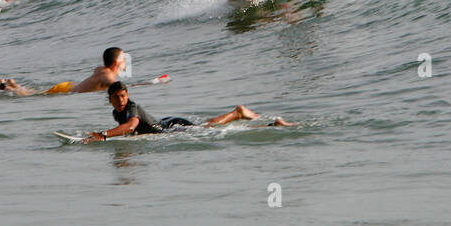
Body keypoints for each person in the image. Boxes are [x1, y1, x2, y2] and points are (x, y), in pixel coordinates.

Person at [80, 82, 292, 142]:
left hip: (169, 128)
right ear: (109, 99)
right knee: (206, 125)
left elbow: (132, 126)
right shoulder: (117, 112)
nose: (120, 100)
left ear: (127, 95)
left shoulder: (130, 107)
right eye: (116, 98)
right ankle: (237, 113)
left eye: (123, 96)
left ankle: (245, 116)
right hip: (166, 122)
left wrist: (104, 135)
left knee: (209, 130)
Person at [0, 46, 144, 96]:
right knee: (31, 96)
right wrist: (140, 86)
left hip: (68, 86)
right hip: (66, 90)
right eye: (124, 59)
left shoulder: (103, 70)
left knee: (34, 92)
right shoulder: (107, 74)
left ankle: (13, 84)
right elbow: (115, 85)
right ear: (117, 62)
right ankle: (3, 86)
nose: (126, 62)